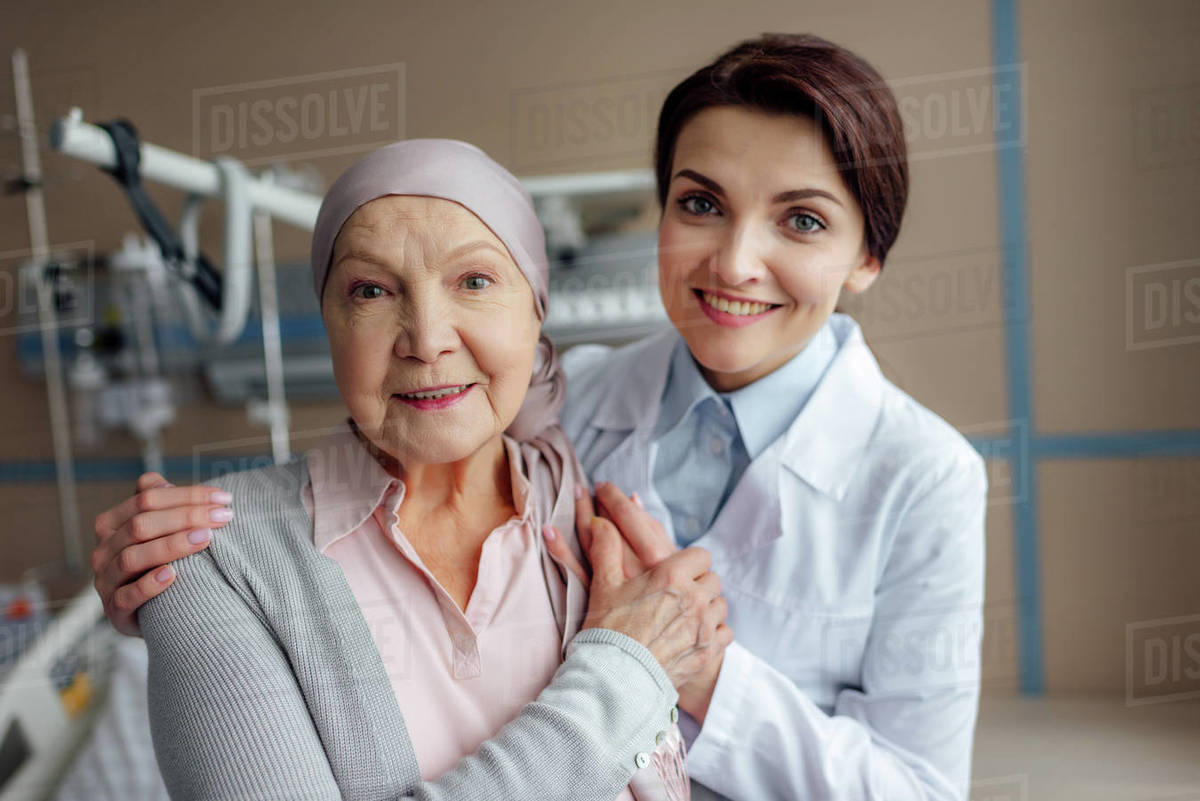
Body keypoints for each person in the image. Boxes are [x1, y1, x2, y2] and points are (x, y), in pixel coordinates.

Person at [93, 33, 987, 800]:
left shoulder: (924, 476)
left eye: (800, 220)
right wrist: (161, 573)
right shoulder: (561, 406)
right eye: (701, 204)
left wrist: (707, 677)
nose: (737, 261)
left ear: (868, 254)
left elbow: (919, 787)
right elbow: (365, 495)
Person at [98, 137, 730, 800]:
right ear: (331, 323)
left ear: (535, 308)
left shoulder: (584, 499)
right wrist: (621, 677)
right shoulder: (210, 557)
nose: (426, 338)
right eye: (371, 290)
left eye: (475, 281)